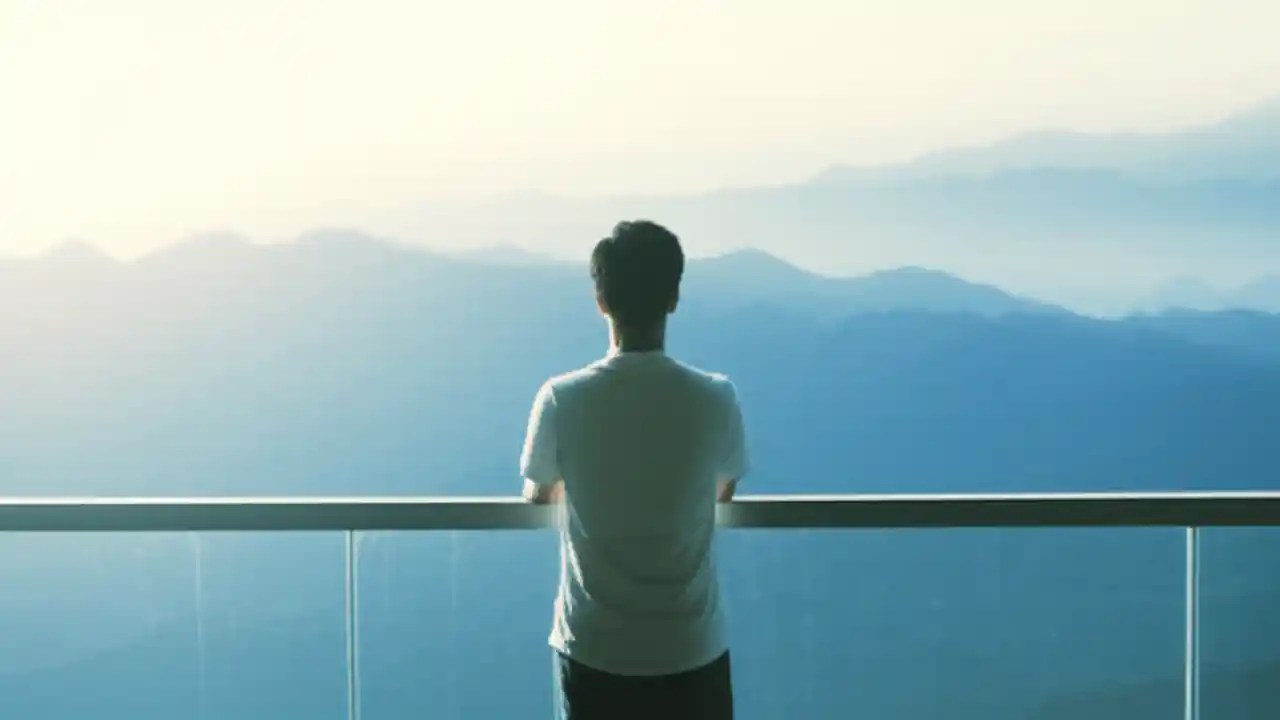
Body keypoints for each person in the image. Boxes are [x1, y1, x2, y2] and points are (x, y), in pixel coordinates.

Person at [520, 220, 749, 720]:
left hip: (595, 649)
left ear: (601, 300)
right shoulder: (715, 398)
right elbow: (723, 489)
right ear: (674, 297)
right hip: (692, 648)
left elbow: (539, 492)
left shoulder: (561, 398)